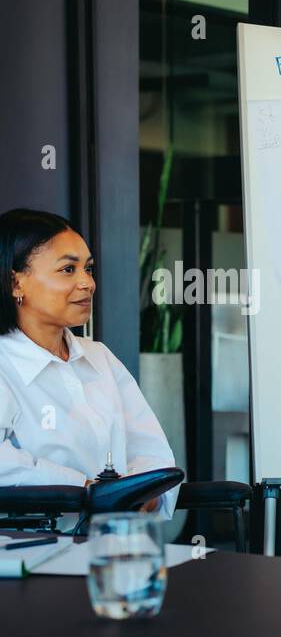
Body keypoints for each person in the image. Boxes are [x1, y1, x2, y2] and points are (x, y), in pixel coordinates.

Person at [0, 208, 178, 519]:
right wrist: (86, 490)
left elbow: (151, 452)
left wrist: (139, 495)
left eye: (89, 269)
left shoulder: (99, 357)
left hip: (119, 542)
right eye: (68, 269)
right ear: (16, 283)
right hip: (34, 551)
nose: (87, 283)